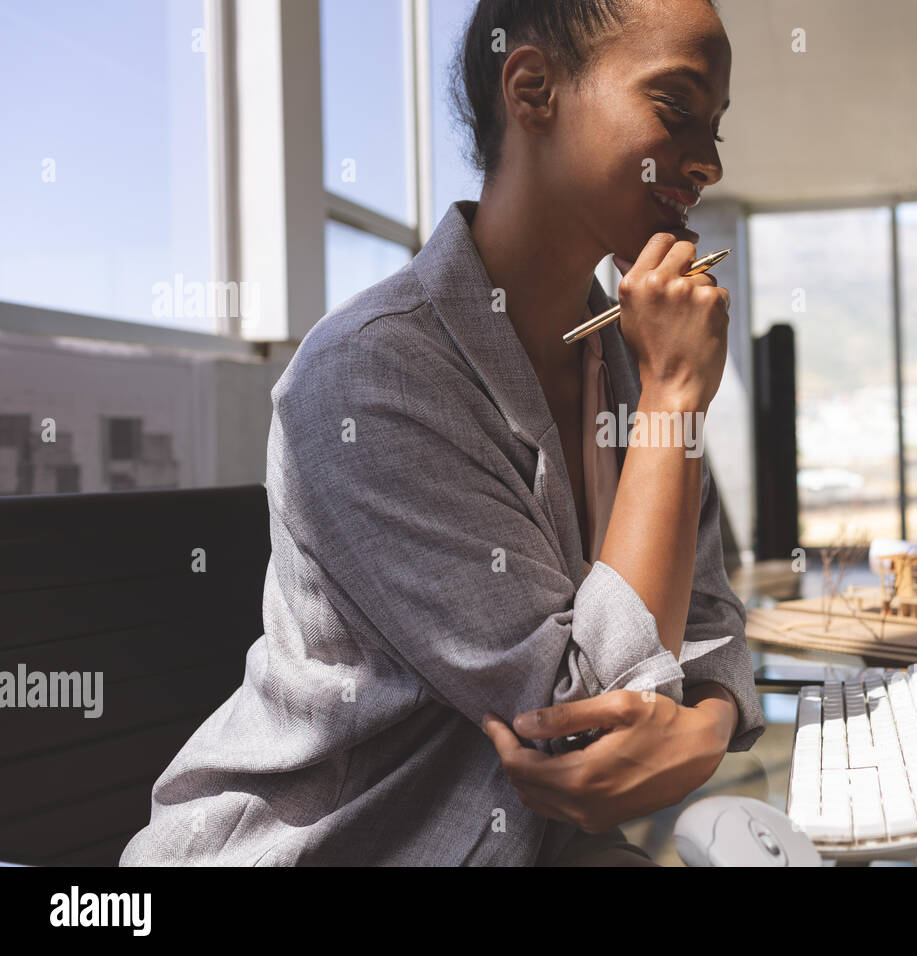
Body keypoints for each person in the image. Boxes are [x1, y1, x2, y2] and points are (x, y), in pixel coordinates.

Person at [118, 0, 762, 867]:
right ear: (533, 89)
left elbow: (713, 620)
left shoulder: (629, 353)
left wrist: (707, 727)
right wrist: (677, 395)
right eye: (677, 109)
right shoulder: (368, 377)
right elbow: (578, 727)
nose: (710, 163)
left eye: (716, 127)